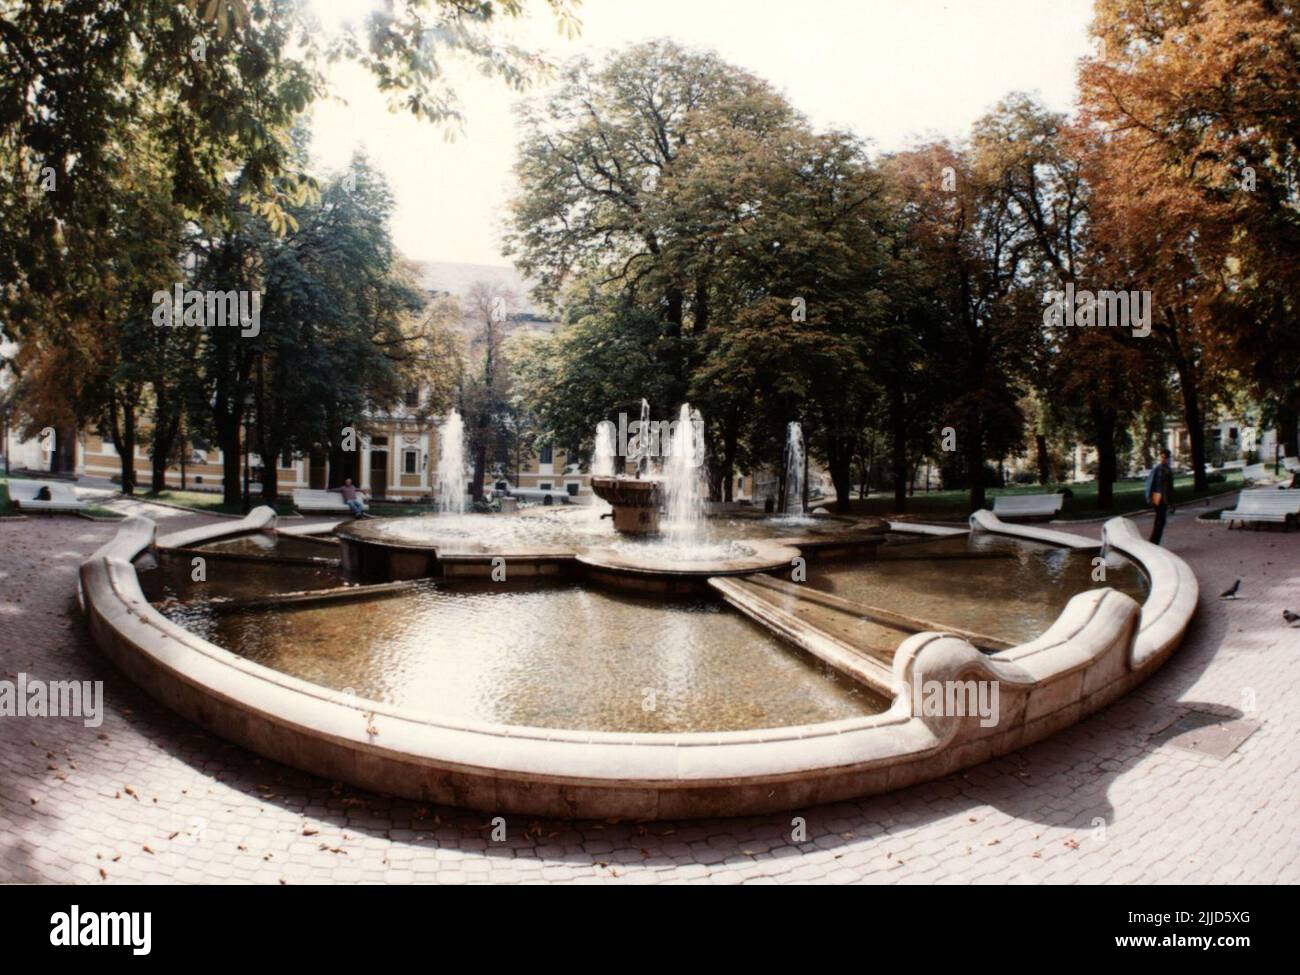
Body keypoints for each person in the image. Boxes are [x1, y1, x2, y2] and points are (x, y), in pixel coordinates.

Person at [1144, 449, 1174, 544]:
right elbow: (1150, 484)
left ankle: (1155, 541)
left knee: (1161, 520)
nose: (1163, 459)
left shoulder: (1169, 470)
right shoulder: (1157, 469)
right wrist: (1149, 498)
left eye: (1165, 458)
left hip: (1165, 498)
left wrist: (1172, 501)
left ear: (1168, 459)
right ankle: (1153, 542)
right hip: (1157, 496)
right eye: (1161, 457)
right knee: (1160, 520)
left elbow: (1170, 486)